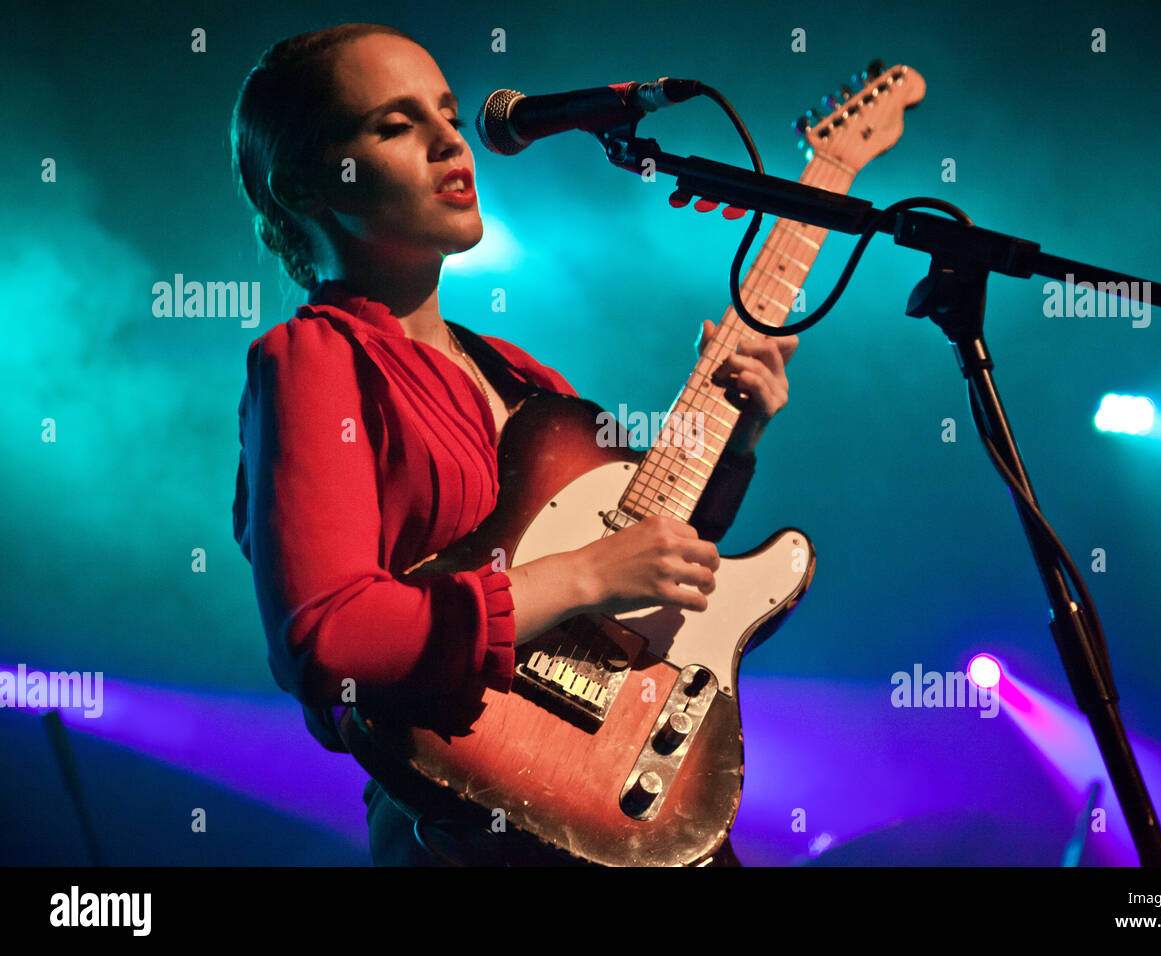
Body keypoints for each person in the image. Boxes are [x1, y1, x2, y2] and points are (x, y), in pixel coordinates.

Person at [229, 23, 797, 866]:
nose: (449, 141)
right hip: (467, 828)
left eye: (449, 114)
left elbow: (650, 571)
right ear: (308, 185)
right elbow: (326, 637)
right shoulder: (312, 358)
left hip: (605, 794)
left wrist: (738, 438)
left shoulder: (522, 373)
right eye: (396, 125)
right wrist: (581, 576)